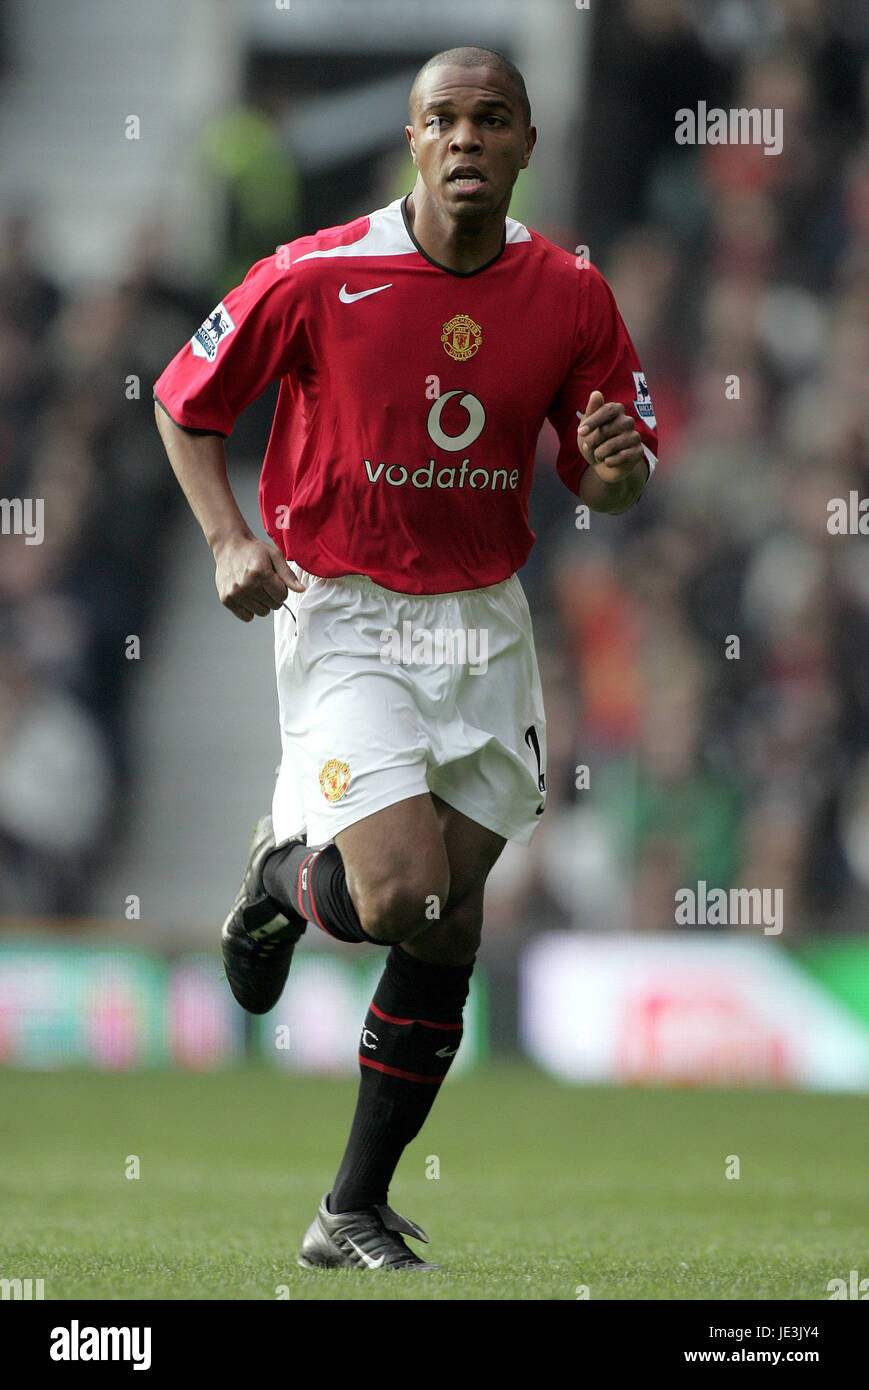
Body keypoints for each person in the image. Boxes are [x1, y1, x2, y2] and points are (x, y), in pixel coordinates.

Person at [153, 45, 658, 1272]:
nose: (469, 139)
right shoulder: (315, 274)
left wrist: (618, 470)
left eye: (493, 119)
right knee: (393, 897)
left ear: (527, 142)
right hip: (347, 611)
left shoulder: (571, 294)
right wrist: (228, 540)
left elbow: (610, 473)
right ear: (412, 142)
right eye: (445, 119)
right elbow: (183, 399)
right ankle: (280, 879)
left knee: (448, 927)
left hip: (484, 618)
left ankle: (351, 1210)